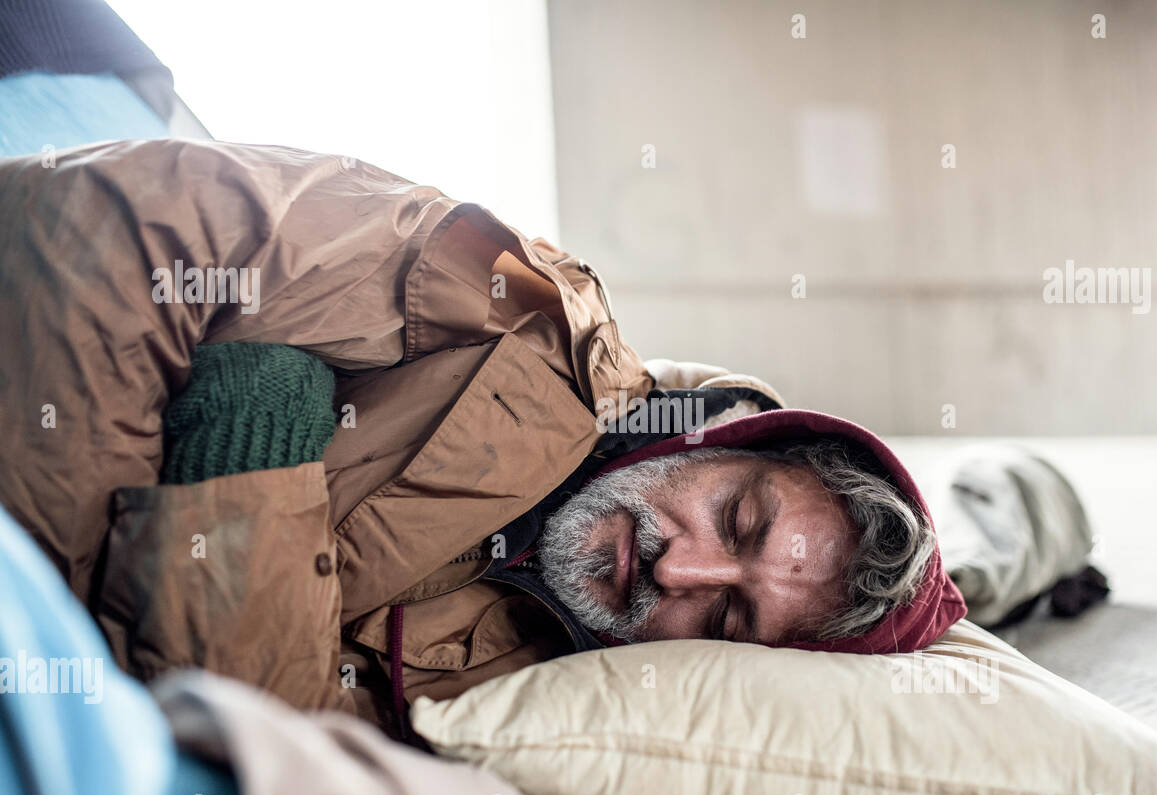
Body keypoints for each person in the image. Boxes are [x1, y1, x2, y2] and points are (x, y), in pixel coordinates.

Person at [0, 138, 1100, 741]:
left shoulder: (549, 707)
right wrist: (95, 591)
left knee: (981, 580)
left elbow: (262, 741)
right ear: (724, 436)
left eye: (724, 614)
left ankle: (1035, 514)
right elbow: (107, 229)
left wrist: (243, 471)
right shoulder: (510, 319)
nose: (684, 565)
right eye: (738, 516)